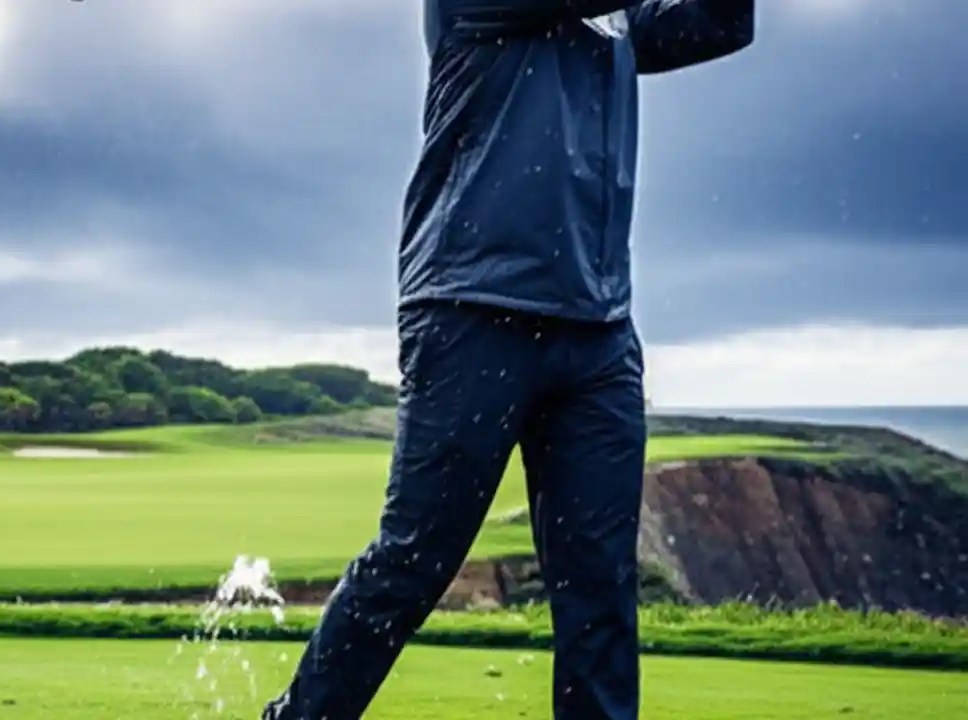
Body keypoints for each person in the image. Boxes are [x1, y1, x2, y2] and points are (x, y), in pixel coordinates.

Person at [263, 2, 755, 719]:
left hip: (598, 329)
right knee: (414, 559)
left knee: (600, 588)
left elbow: (719, 23)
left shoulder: (614, 19)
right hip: (473, 308)